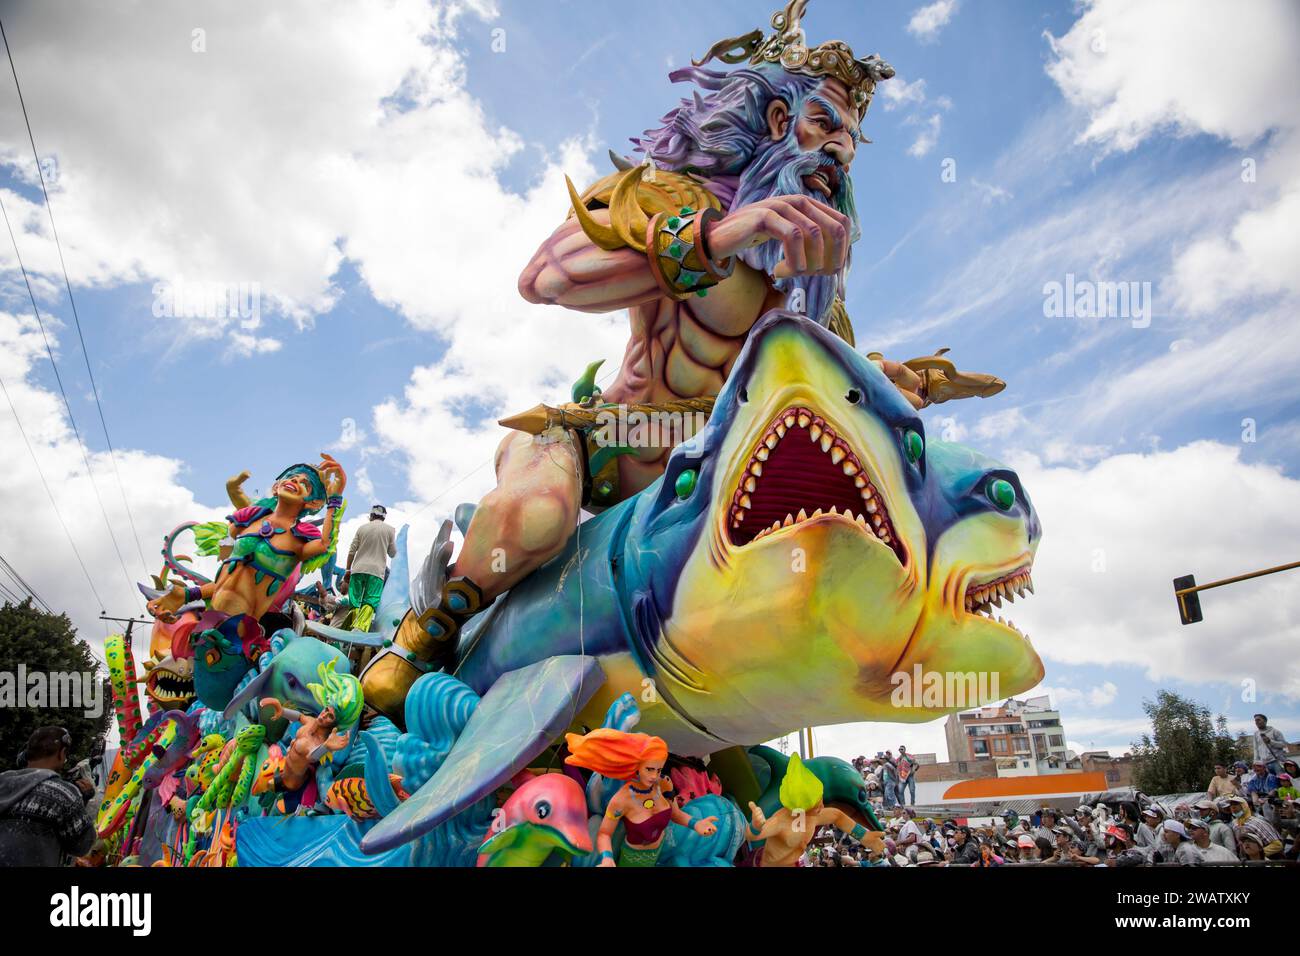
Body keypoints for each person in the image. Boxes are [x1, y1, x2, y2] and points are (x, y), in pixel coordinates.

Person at [0, 727, 96, 867]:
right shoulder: (63, 794)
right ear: (62, 754)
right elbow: (82, 846)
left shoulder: (2, 784)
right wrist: (83, 798)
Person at [342, 504, 397, 633]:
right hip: (376, 572)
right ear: (384, 517)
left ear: (371, 515)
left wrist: (347, 570)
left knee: (355, 600)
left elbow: (352, 551)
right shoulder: (390, 530)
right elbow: (393, 553)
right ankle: (360, 627)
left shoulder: (362, 528)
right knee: (371, 600)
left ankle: (350, 626)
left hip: (358, 569)